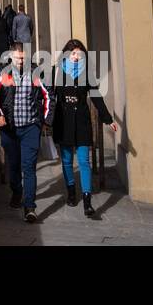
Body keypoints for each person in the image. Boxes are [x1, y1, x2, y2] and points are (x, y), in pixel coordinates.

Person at [0, 42, 53, 223]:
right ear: (11, 56)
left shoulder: (36, 73)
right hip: (9, 128)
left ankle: (30, 207)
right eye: (17, 57)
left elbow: (49, 96)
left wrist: (46, 121)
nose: (20, 61)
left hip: (31, 127)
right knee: (14, 165)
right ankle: (17, 191)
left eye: (23, 58)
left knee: (29, 167)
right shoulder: (3, 73)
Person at [52, 40, 118, 219]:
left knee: (84, 161)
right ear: (66, 54)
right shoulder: (56, 71)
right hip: (63, 120)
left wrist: (107, 119)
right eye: (73, 53)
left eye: (79, 54)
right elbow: (49, 95)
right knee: (66, 161)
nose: (76, 57)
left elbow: (96, 97)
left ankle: (87, 202)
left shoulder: (87, 74)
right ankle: (72, 192)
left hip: (81, 121)